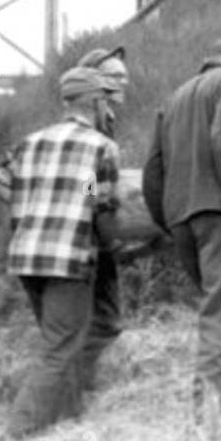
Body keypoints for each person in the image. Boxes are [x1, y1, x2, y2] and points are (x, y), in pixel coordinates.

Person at [0, 66, 122, 439]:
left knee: (60, 340)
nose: (109, 108)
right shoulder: (101, 147)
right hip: (68, 258)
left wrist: (34, 206)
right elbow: (100, 203)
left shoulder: (29, 142)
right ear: (95, 102)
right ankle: (16, 436)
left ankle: (66, 414)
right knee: (58, 349)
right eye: (106, 101)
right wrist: (114, 245)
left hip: (27, 258)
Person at [143, 36, 221, 423]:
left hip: (181, 217)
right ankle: (208, 417)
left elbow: (152, 172)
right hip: (220, 212)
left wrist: (170, 217)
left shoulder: (174, 99)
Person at [76, 44, 129, 391]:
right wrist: (99, 208)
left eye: (124, 76)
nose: (124, 81)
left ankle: (79, 385)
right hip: (87, 233)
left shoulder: (106, 119)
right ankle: (74, 387)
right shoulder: (91, 125)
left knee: (100, 316)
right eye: (114, 76)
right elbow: (88, 179)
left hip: (95, 227)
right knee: (102, 319)